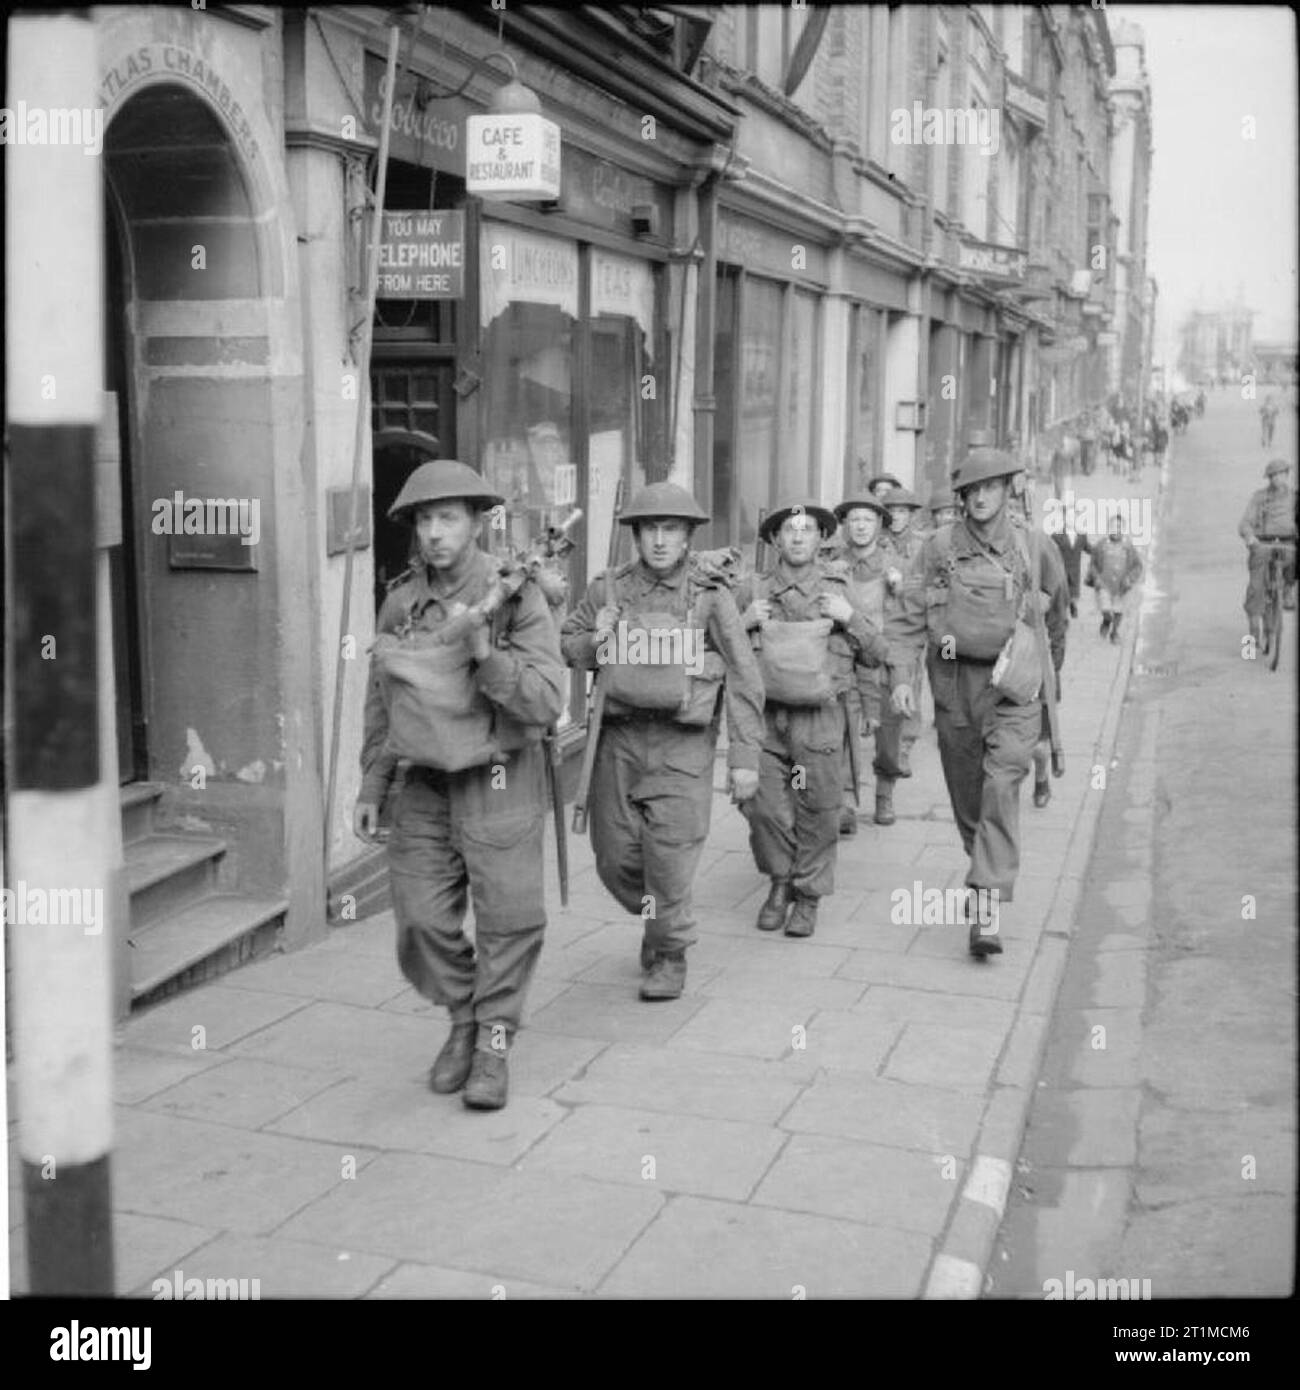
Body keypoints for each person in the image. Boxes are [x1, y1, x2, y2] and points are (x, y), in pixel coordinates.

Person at [355, 460, 566, 1111]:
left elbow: (547, 698)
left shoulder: (517, 595)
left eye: (448, 517)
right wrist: (371, 783)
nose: (435, 533)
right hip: (423, 782)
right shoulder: (400, 602)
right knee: (418, 922)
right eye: (424, 519)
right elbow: (382, 698)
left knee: (509, 919)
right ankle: (463, 1015)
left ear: (478, 521)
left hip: (500, 777)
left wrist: (484, 653)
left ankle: (493, 1040)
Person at [559, 483, 763, 1000]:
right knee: (615, 858)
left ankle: (670, 951)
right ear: (636, 535)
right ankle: (658, 916)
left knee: (670, 857)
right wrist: (594, 639)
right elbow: (568, 644)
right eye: (650, 528)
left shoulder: (710, 595)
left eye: (670, 529)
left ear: (688, 536)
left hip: (683, 747)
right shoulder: (608, 589)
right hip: (618, 743)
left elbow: (744, 676)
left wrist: (744, 760)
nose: (659, 540)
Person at [886, 448, 1068, 957]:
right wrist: (901, 676)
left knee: (1002, 784)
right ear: (962, 496)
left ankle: (986, 902)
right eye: (973, 489)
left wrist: (1048, 681)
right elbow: (906, 615)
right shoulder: (939, 548)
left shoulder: (1035, 547)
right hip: (954, 689)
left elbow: (1058, 619)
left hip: (1014, 693)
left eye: (992, 487)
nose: (982, 496)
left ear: (1008, 490)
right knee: (969, 796)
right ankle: (981, 860)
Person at [736, 501, 899, 938]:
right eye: (789, 530)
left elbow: (879, 653)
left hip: (820, 723)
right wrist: (742, 622)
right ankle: (779, 880)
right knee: (765, 808)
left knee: (818, 810)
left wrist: (850, 619)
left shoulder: (839, 587)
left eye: (807, 529)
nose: (797, 537)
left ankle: (806, 896)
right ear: (774, 540)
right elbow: (714, 649)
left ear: (821, 538)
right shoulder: (753, 588)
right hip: (766, 722)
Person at [828, 492, 892, 837]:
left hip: (883, 653)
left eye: (868, 520)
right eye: (854, 520)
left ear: (879, 526)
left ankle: (884, 793)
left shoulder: (893, 565)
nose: (861, 527)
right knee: (846, 731)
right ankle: (846, 801)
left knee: (888, 736)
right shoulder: (834, 564)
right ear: (844, 527)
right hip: (849, 654)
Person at [1238, 459, 1297, 646]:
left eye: (1281, 474)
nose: (1277, 478)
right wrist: (1250, 537)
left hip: (1288, 543)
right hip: (1262, 544)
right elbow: (1245, 522)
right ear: (1269, 478)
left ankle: (1288, 588)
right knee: (1256, 587)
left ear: (1287, 475)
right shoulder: (1259, 497)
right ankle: (1254, 626)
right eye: (1273, 475)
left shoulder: (1294, 498)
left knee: (1294, 561)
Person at [1089, 512, 1144, 644]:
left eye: (1118, 528)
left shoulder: (1128, 546)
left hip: (1121, 587)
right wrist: (1096, 578)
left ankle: (1114, 632)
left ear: (1122, 530)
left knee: (1119, 611)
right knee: (1106, 608)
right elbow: (1093, 565)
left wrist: (1130, 579)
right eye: (1112, 527)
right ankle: (1107, 620)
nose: (1115, 531)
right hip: (1104, 585)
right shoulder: (1101, 545)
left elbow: (1137, 566)